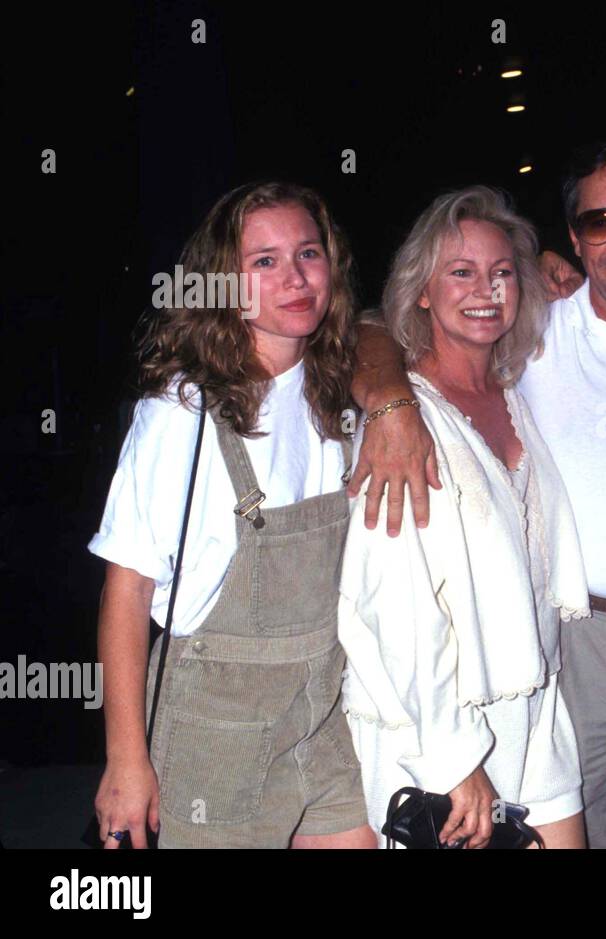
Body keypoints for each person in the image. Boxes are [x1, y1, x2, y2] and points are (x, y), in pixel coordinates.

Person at [349, 140, 606, 849]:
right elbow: (368, 327)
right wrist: (388, 399)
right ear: (575, 236)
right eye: (601, 221)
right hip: (572, 641)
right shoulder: (536, 336)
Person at [90, 181, 374, 848]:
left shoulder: (338, 390)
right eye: (264, 261)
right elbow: (125, 591)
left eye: (308, 253)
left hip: (320, 706)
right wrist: (126, 761)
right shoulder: (180, 413)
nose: (295, 276)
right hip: (216, 721)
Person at [337, 186, 591, 849]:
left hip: (534, 711)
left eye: (502, 271)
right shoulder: (399, 420)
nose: (485, 288)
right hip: (437, 735)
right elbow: (392, 606)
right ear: (422, 290)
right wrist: (455, 759)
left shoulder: (511, 395)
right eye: (461, 271)